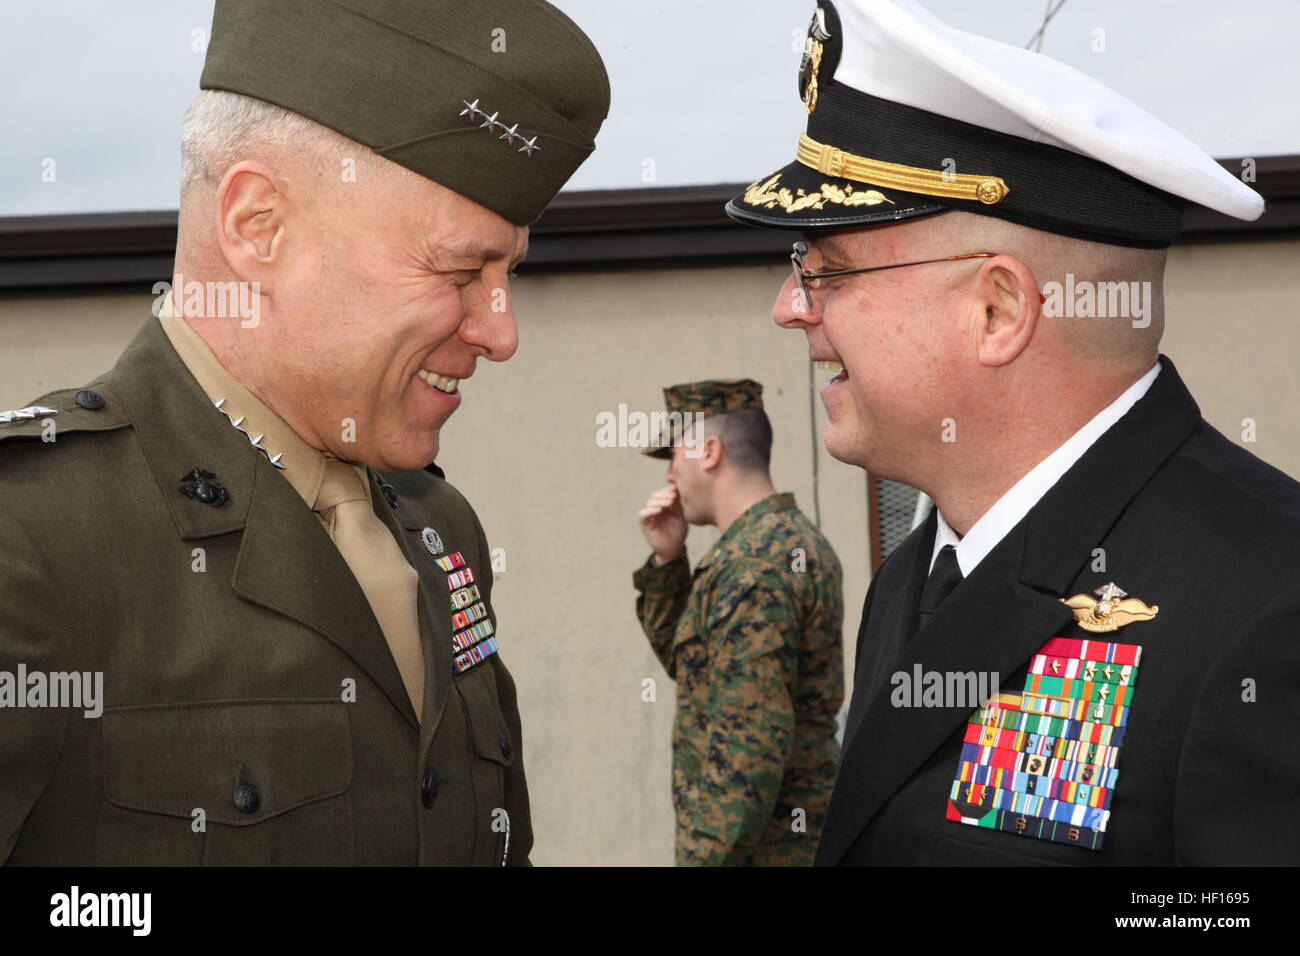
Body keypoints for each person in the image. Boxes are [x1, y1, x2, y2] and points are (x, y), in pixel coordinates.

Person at [0, 0, 608, 865]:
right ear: (260, 228)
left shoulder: (439, 530)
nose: (500, 333)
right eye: (460, 268)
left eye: (510, 273)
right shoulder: (32, 543)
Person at [726, 0, 1300, 864]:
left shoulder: (1270, 605)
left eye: (827, 271)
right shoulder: (918, 574)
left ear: (998, 311)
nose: (789, 308)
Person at [634, 379, 843, 865]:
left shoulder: (754, 565)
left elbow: (748, 756)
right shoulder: (781, 543)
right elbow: (700, 674)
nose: (669, 475)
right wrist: (668, 562)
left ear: (709, 451)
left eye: (673, 455)